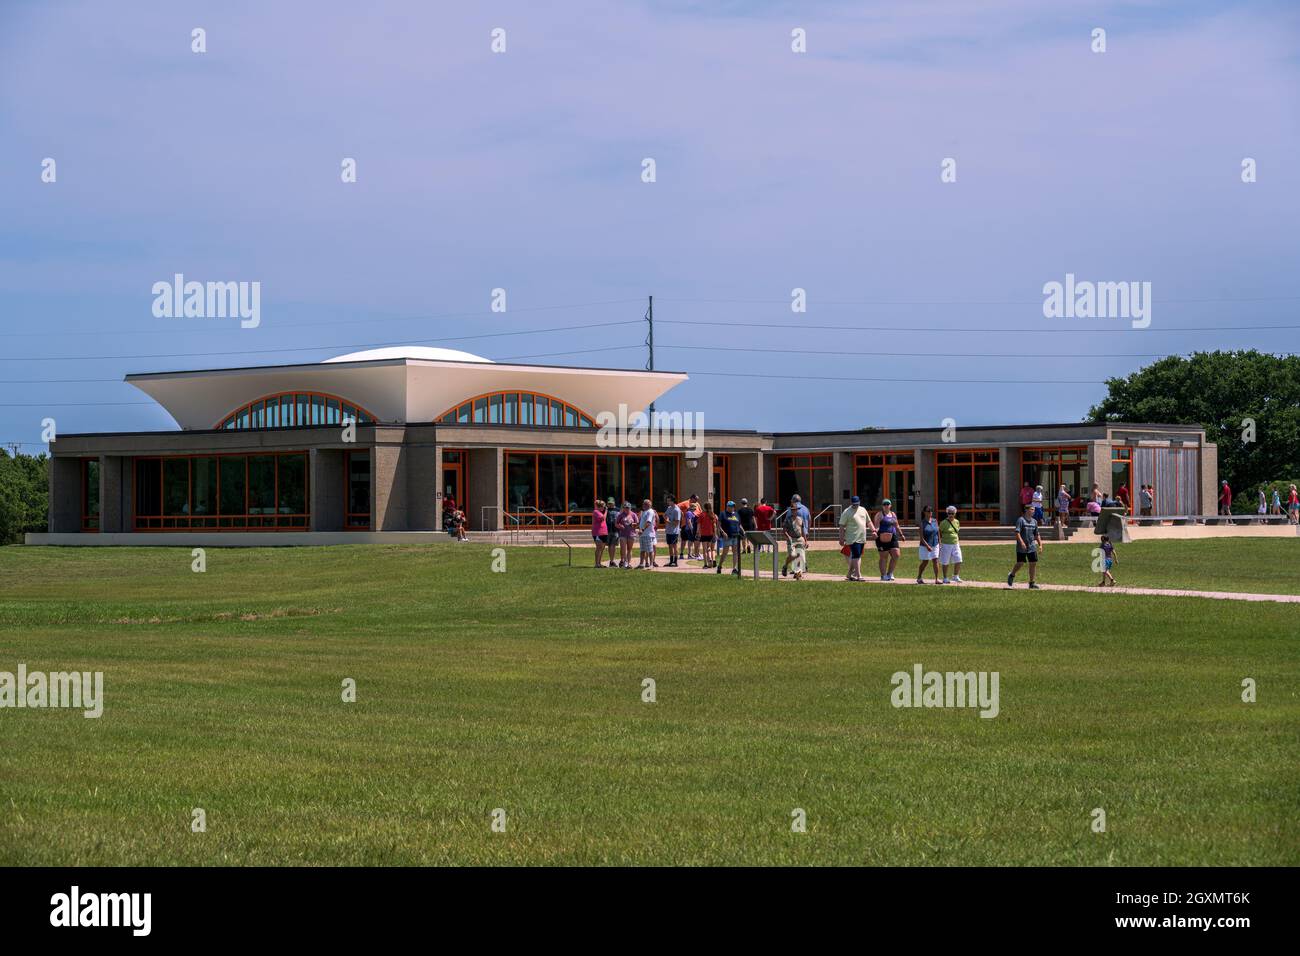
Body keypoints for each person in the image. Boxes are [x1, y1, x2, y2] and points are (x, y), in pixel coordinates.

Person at [837, 494, 874, 582]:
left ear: (859, 503)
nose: (855, 506)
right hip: (852, 538)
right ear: (851, 503)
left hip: (862, 537)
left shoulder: (863, 510)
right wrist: (841, 538)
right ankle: (858, 575)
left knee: (858, 556)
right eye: (854, 504)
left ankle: (850, 574)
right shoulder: (847, 512)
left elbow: (868, 522)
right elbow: (841, 526)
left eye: (857, 504)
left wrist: (873, 530)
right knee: (856, 556)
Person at [1008, 503, 1042, 589]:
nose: (1033, 511)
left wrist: (1040, 544)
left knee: (1033, 563)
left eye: (1034, 510)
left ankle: (1032, 583)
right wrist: (1022, 543)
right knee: (1020, 563)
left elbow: (1037, 534)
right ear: (1026, 510)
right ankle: (1012, 575)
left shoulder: (1034, 522)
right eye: (1032, 509)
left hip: (1032, 546)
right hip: (1021, 547)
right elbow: (1017, 533)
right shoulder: (1021, 520)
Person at [781, 494, 812, 577]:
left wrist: (805, 539)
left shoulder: (799, 518)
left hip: (800, 536)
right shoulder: (806, 509)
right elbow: (809, 520)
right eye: (793, 510)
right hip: (792, 537)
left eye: (796, 510)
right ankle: (788, 566)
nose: (795, 511)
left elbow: (803, 528)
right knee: (793, 555)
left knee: (799, 555)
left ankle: (797, 571)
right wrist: (808, 530)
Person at [874, 498, 904, 581]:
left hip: (893, 536)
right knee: (884, 556)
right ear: (882, 506)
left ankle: (890, 573)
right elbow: (876, 527)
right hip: (882, 537)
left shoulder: (893, 514)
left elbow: (896, 525)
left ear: (890, 505)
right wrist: (875, 532)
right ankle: (883, 575)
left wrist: (901, 534)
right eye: (884, 504)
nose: (886, 506)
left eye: (888, 504)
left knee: (896, 554)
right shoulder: (879, 515)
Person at [716, 501, 743, 576]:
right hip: (727, 536)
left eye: (733, 506)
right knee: (725, 552)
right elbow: (718, 525)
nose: (732, 507)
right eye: (731, 506)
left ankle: (734, 569)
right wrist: (722, 532)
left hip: (736, 536)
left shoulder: (736, 514)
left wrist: (743, 531)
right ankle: (720, 566)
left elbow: (739, 524)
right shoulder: (723, 514)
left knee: (735, 552)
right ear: (727, 506)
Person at [916, 505, 941, 584]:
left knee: (935, 560)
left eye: (931, 510)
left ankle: (937, 579)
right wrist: (927, 546)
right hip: (925, 545)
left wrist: (939, 543)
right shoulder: (922, 523)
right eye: (928, 511)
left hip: (935, 543)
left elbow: (938, 532)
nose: (930, 512)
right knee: (925, 561)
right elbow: (921, 538)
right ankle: (919, 577)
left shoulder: (935, 521)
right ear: (924, 512)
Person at [938, 505, 963, 584]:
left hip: (955, 543)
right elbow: (939, 532)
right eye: (949, 513)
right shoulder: (943, 522)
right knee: (945, 561)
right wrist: (939, 542)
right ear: (947, 514)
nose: (950, 515)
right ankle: (945, 577)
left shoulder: (957, 522)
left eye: (952, 513)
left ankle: (955, 576)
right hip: (946, 544)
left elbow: (957, 531)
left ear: (955, 514)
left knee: (959, 559)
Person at [615, 501, 638, 568]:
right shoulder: (620, 515)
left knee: (629, 549)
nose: (627, 509)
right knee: (623, 548)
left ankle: (629, 563)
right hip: (623, 534)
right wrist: (620, 526)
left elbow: (637, 524)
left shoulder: (633, 514)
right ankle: (625, 562)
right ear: (623, 508)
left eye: (628, 508)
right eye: (625, 508)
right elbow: (616, 524)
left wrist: (634, 525)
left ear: (630, 508)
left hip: (631, 534)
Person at [637, 499, 659, 569]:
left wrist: (642, 529)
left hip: (648, 534)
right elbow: (642, 522)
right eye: (643, 504)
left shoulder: (650, 512)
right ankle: (641, 564)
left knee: (650, 550)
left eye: (645, 504)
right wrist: (636, 525)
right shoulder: (644, 512)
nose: (643, 505)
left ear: (649, 505)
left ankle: (651, 564)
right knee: (642, 550)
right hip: (643, 534)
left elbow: (648, 522)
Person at [697, 502, 717, 568]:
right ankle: (711, 559)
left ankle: (705, 564)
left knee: (705, 550)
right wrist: (715, 533)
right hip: (711, 533)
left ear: (704, 508)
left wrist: (698, 532)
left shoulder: (701, 515)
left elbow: (699, 525)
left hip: (703, 534)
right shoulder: (712, 514)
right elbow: (714, 525)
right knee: (710, 548)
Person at [664, 495, 682, 567]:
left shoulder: (677, 510)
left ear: (673, 501)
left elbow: (677, 523)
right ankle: (671, 561)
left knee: (674, 546)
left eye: (669, 500)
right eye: (667, 500)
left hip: (674, 532)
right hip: (668, 531)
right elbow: (664, 515)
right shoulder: (669, 508)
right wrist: (666, 517)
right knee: (669, 546)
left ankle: (675, 561)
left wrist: (669, 521)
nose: (667, 502)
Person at [592, 500, 609, 567]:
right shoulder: (596, 511)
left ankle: (599, 563)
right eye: (603, 507)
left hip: (604, 532)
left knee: (602, 548)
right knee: (598, 548)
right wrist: (606, 511)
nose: (604, 508)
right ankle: (597, 564)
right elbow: (603, 518)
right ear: (600, 507)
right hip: (597, 533)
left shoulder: (600, 512)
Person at [604, 496, 620, 567]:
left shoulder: (618, 510)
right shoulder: (604, 510)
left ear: (614, 503)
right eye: (609, 503)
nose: (610, 505)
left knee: (613, 546)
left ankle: (612, 561)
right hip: (606, 531)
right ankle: (599, 562)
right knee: (604, 546)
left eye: (611, 503)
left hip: (615, 530)